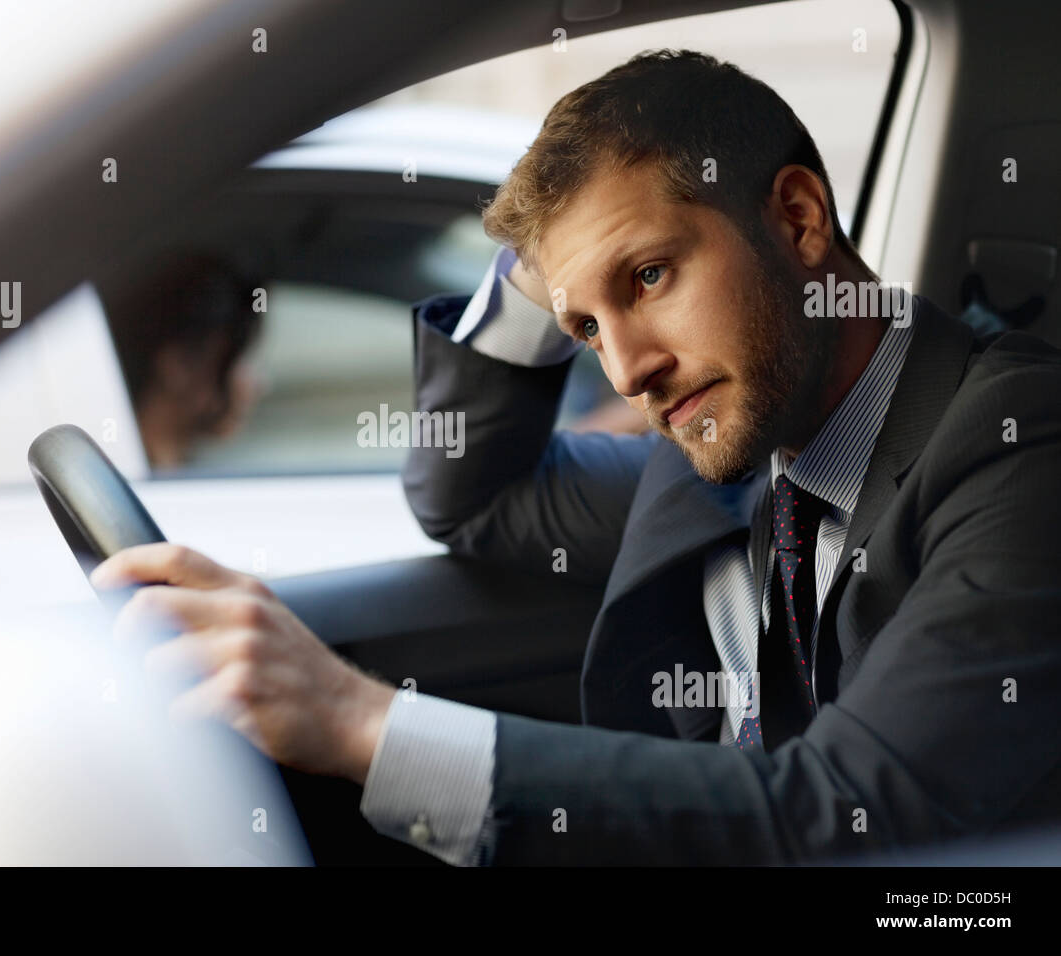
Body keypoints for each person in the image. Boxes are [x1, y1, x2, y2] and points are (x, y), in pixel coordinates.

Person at [88, 51, 1061, 865]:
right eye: (587, 326)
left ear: (799, 218)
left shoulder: (1018, 442)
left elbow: (845, 803)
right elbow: (471, 493)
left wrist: (359, 721)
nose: (630, 370)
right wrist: (545, 259)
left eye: (650, 275)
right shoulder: (723, 455)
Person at [102, 252, 264, 471]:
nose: (257, 384)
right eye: (237, 360)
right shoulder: (125, 479)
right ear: (177, 365)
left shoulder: (167, 478)